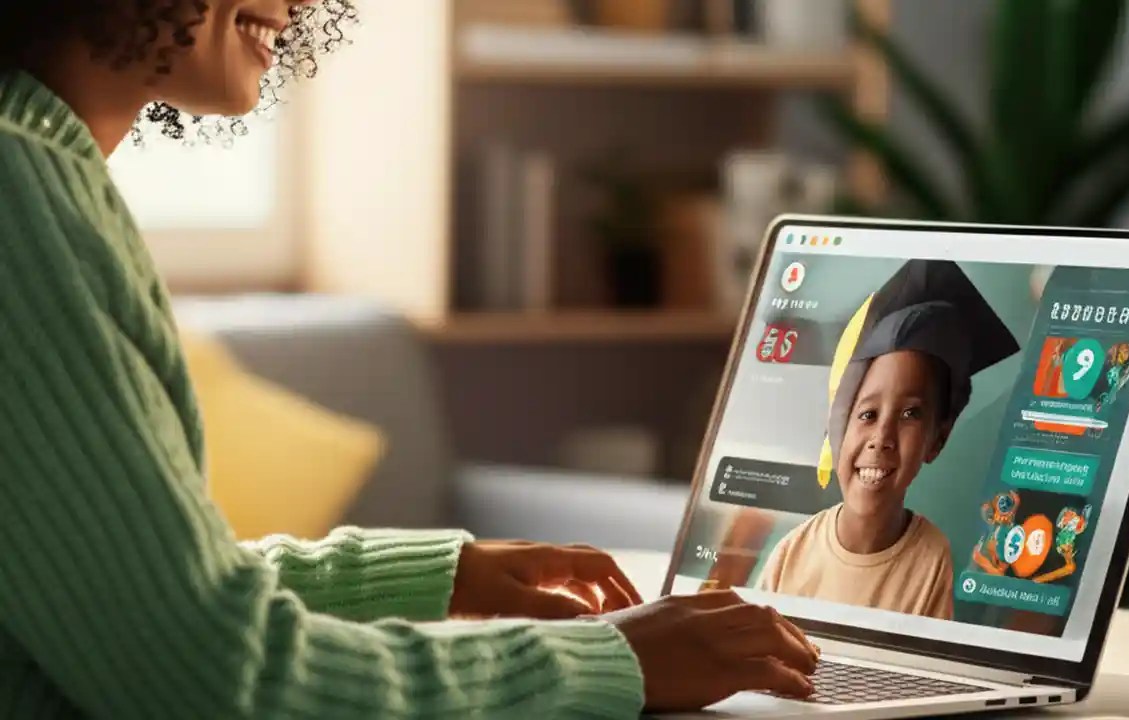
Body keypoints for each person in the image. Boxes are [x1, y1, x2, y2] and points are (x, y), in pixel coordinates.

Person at [0, 2, 819, 717]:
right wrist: (616, 661)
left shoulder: (40, 170)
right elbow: (216, 676)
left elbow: (119, 594)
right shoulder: (23, 204)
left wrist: (435, 575)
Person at [757, 260, 1020, 621]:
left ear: (937, 440)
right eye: (866, 414)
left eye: (910, 414)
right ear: (838, 425)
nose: (881, 439)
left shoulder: (930, 557)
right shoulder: (793, 551)